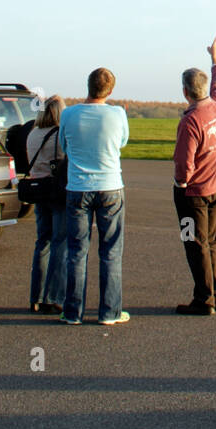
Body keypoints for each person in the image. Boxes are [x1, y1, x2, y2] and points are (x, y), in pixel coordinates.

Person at [58, 67, 129, 326]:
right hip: (110, 186)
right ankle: (109, 312)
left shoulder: (69, 114)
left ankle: (72, 311)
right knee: (111, 251)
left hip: (77, 187)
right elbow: (122, 142)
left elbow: (63, 145)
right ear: (109, 91)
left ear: (88, 86)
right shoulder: (118, 113)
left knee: (76, 251)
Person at [173, 37, 216, 316]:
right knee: (212, 242)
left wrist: (180, 185)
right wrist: (215, 58)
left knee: (193, 242)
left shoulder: (190, 121)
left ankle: (204, 298)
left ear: (185, 92)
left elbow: (184, 164)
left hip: (193, 194)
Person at [27, 94, 68, 313]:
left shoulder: (33, 134)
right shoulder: (60, 134)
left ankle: (36, 295)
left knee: (42, 241)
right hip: (57, 191)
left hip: (38, 190)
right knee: (60, 242)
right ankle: (53, 297)